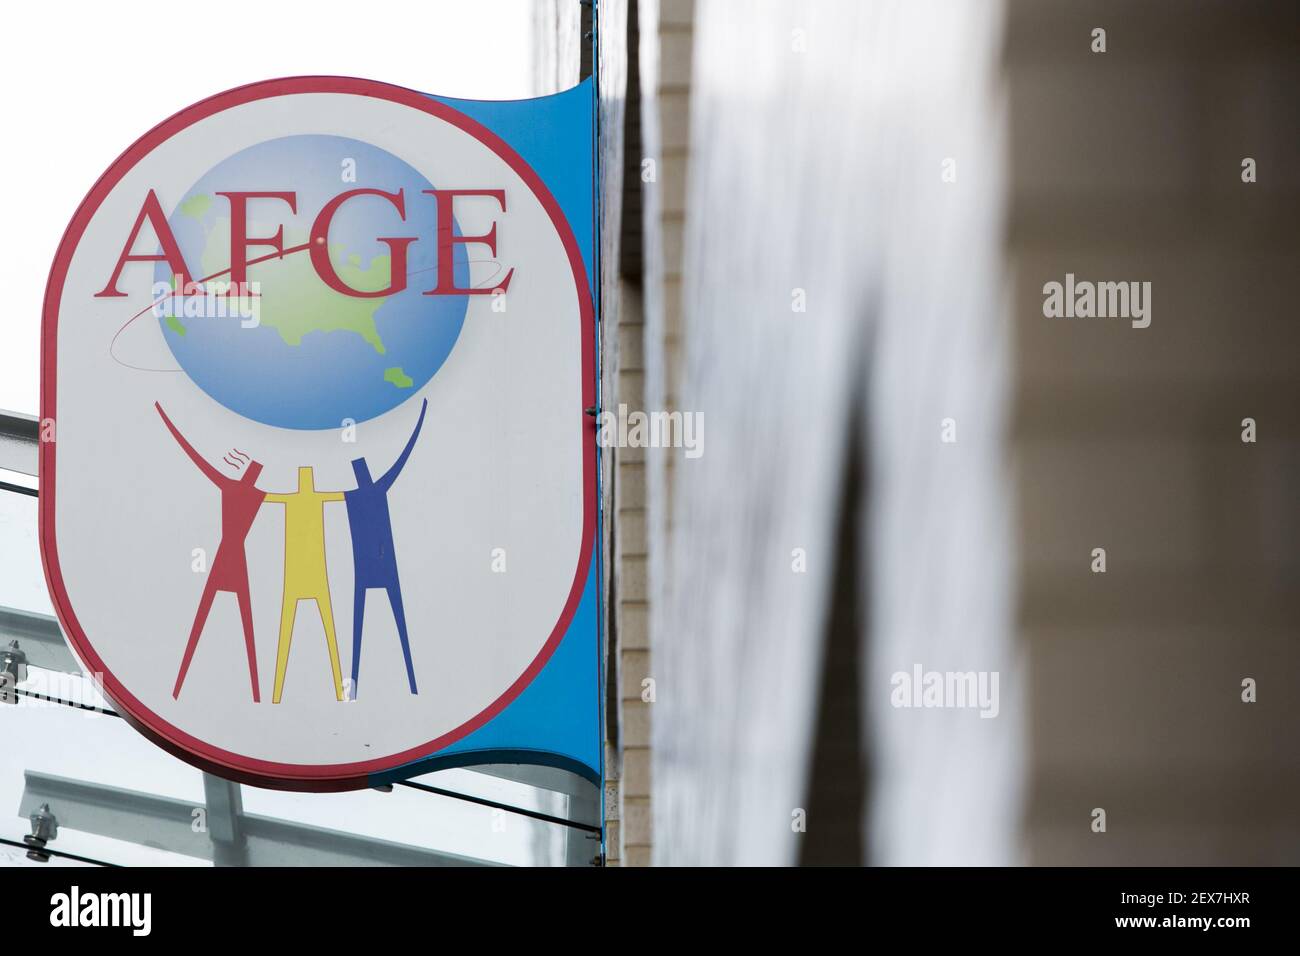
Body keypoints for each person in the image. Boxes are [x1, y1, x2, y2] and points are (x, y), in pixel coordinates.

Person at [155, 402, 264, 702]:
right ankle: (255, 692)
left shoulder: (231, 486)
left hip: (227, 556)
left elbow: (196, 459)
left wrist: (166, 418)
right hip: (234, 557)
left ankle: (183, 687)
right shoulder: (259, 494)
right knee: (243, 626)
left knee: (216, 622)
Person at [345, 398, 427, 696]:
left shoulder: (351, 495)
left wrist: (420, 421)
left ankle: (408, 684)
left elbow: (404, 457)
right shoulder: (368, 490)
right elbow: (403, 458)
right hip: (374, 563)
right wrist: (419, 421)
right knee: (369, 627)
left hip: (374, 564)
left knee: (382, 626)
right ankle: (403, 684)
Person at [264, 467, 346, 703]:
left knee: (326, 632)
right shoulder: (305, 498)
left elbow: (265, 495)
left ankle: (278, 695)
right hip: (302, 576)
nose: (306, 480)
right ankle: (276, 695)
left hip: (308, 575)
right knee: (296, 631)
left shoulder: (294, 498)